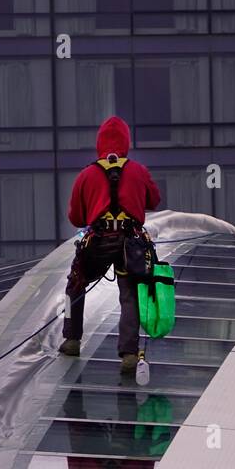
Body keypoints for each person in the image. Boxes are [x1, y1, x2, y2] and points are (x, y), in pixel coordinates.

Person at [60, 115, 161, 374]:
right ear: (126, 142)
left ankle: (72, 340)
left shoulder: (87, 174)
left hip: (99, 242)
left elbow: (76, 217)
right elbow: (154, 200)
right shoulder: (138, 171)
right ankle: (128, 353)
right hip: (132, 243)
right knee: (129, 294)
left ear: (99, 144)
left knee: (76, 282)